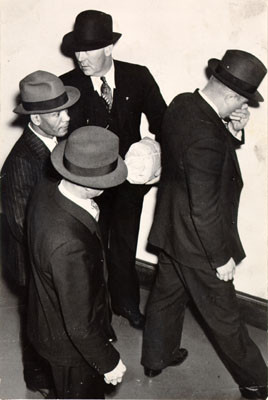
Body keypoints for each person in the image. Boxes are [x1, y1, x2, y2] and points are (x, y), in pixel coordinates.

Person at [141, 50, 267, 400]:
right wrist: (220, 257)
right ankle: (258, 382)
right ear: (230, 95)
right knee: (225, 316)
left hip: (171, 228)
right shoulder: (207, 138)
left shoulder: (183, 104)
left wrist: (233, 129)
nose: (241, 106)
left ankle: (156, 356)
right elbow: (206, 208)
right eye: (240, 101)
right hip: (199, 241)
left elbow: (195, 153)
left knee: (167, 297)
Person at [59, 10, 167, 329]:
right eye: (77, 49)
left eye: (88, 49)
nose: (80, 58)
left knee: (124, 247)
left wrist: (155, 158)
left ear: (108, 47)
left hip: (129, 185)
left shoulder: (139, 76)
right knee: (90, 253)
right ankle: (97, 319)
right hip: (86, 183)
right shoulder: (67, 85)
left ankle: (126, 304)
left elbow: (163, 123)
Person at [26, 126, 127, 399]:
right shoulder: (68, 244)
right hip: (71, 349)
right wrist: (108, 362)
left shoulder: (48, 187)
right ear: (88, 184)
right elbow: (80, 325)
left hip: (46, 321)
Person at [1, 70, 80, 397]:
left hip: (49, 254)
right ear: (35, 118)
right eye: (56, 113)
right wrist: (54, 258)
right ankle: (38, 378)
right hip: (32, 261)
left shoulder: (53, 144)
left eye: (65, 109)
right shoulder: (22, 160)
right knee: (35, 321)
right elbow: (21, 224)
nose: (66, 117)